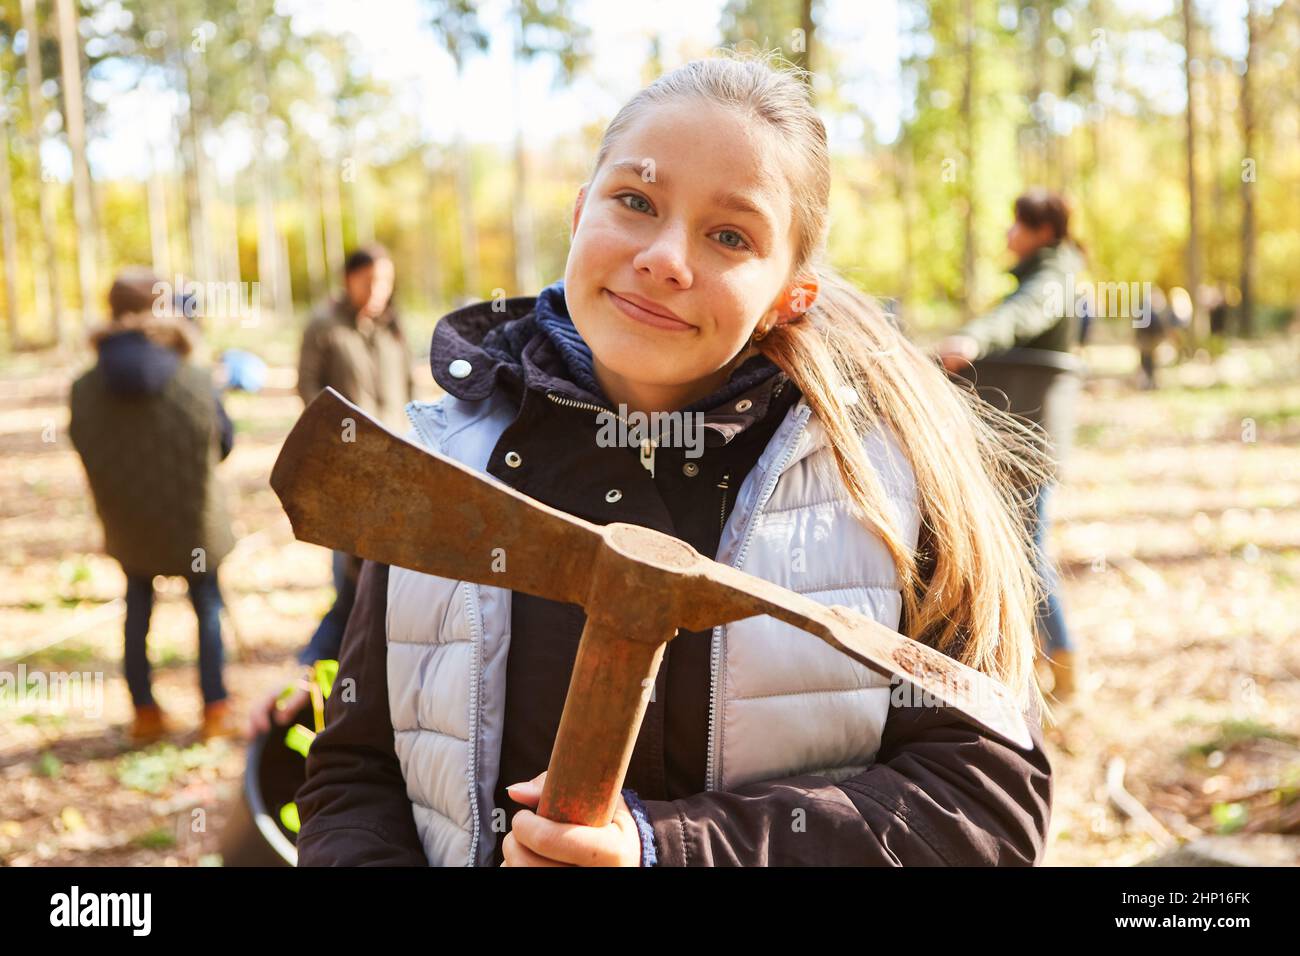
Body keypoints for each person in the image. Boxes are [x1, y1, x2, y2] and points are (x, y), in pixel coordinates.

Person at [294, 52, 1053, 866]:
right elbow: (355, 772)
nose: (665, 258)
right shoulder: (442, 469)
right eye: (635, 201)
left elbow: (987, 801)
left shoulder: (885, 486)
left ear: (792, 293)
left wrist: (669, 850)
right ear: (581, 210)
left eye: (729, 235)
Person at [249, 244, 414, 737]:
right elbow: (309, 389)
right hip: (348, 468)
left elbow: (408, 388)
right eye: (369, 281)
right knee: (354, 578)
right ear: (349, 280)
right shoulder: (324, 326)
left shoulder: (395, 328)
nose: (378, 290)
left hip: (400, 468)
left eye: (385, 281)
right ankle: (344, 651)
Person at [68, 268, 239, 745]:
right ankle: (216, 710)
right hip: (193, 523)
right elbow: (223, 442)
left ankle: (145, 713)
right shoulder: (195, 378)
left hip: (130, 524)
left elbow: (84, 444)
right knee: (206, 606)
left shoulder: (84, 386)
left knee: (137, 609)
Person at [937, 189, 1085, 700]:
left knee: (1026, 551)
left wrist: (975, 340)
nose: (1008, 233)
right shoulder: (1045, 274)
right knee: (1020, 548)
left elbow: (1021, 316)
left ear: (1042, 232)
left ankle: (1062, 670)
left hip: (1029, 442)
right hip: (1016, 439)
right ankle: (1040, 668)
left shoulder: (1054, 278)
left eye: (1017, 224)